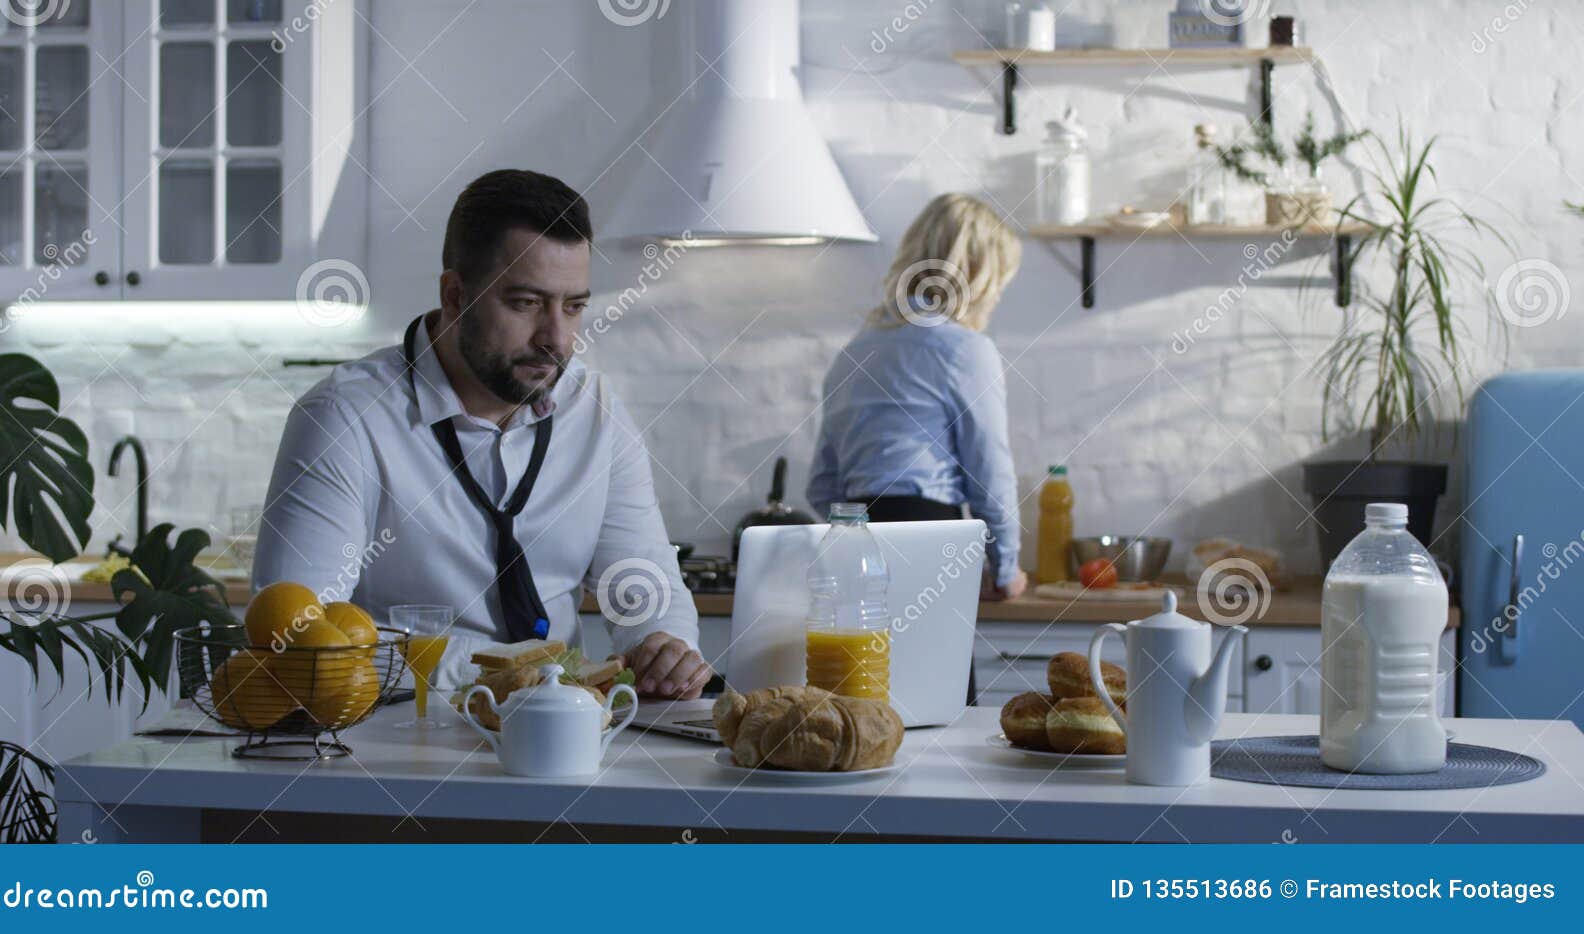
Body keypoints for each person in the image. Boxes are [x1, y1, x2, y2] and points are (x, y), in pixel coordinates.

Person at [254, 169, 711, 699]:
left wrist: (663, 643)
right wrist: (507, 676)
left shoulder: (597, 412)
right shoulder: (342, 419)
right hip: (394, 741)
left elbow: (643, 586)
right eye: (526, 304)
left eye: (574, 306)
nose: (556, 339)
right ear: (455, 294)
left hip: (559, 739)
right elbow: (296, 638)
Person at [807, 193, 1027, 601]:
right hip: (931, 538)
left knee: (864, 665)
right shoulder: (965, 350)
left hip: (853, 550)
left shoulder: (855, 351)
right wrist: (1005, 568)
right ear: (981, 276)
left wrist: (862, 537)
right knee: (937, 665)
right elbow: (989, 473)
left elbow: (821, 486)